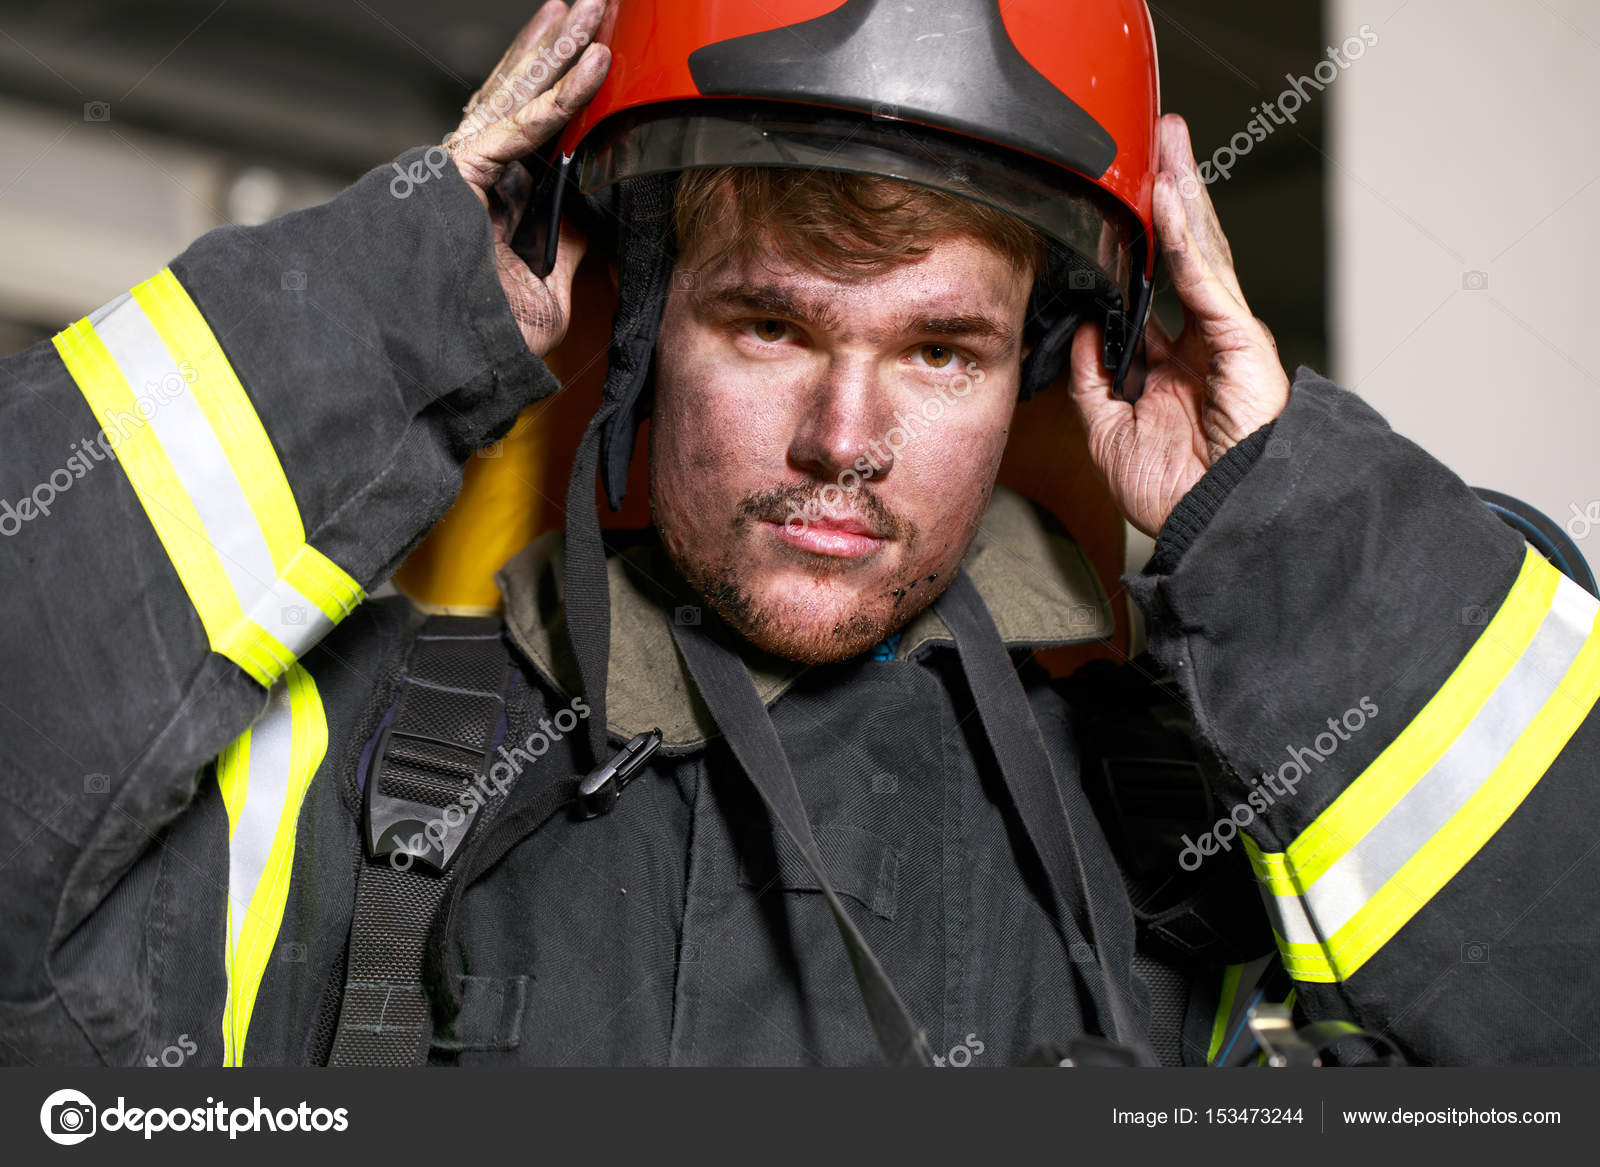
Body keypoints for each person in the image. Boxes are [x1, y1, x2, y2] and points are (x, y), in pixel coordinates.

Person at [1, 0, 1596, 1069]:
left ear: (1043, 364)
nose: (846, 441)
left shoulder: (1216, 844)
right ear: (634, 332)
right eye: (769, 325)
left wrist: (1289, 524)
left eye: (941, 352)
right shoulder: (347, 784)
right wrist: (382, 312)